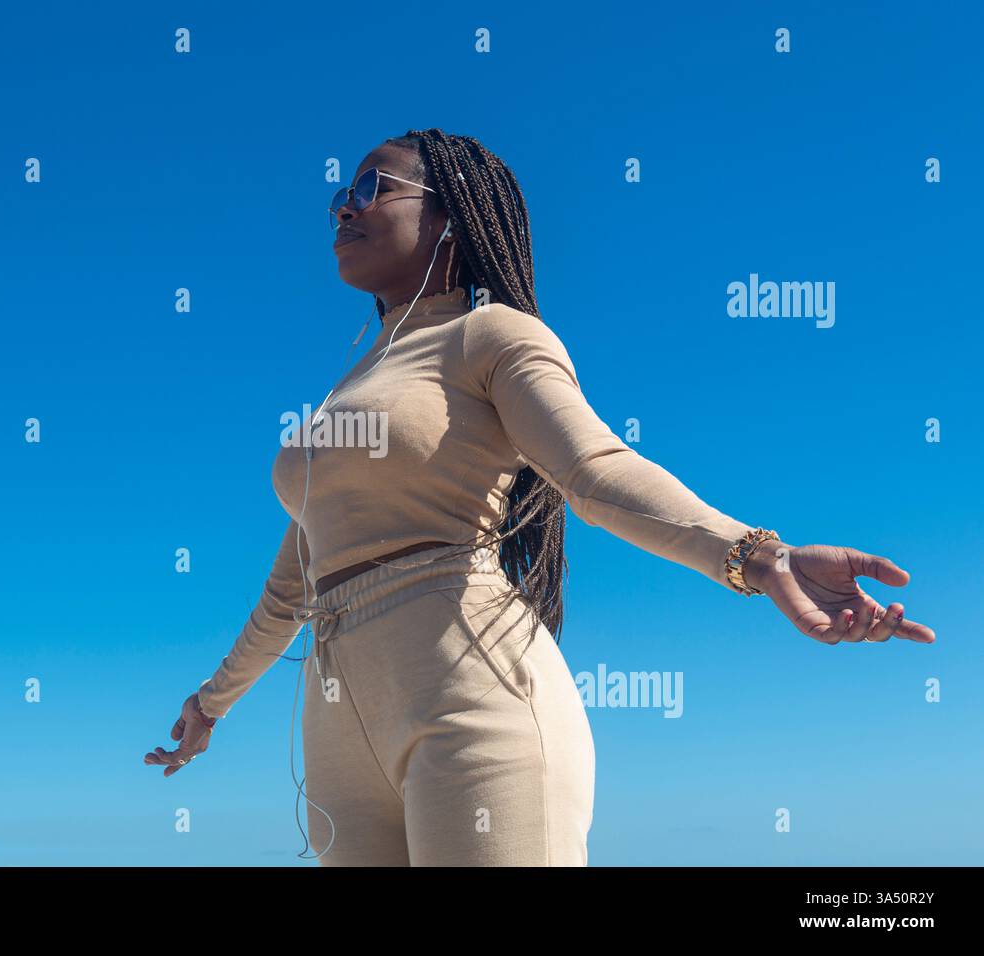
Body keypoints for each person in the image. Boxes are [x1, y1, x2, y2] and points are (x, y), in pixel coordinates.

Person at [143, 128, 936, 866]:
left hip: (472, 691)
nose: (341, 204)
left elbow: (595, 471)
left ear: (449, 215)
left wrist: (761, 556)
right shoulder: (350, 387)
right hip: (336, 720)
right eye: (339, 194)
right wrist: (210, 705)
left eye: (369, 186)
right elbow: (292, 587)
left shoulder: (492, 337)